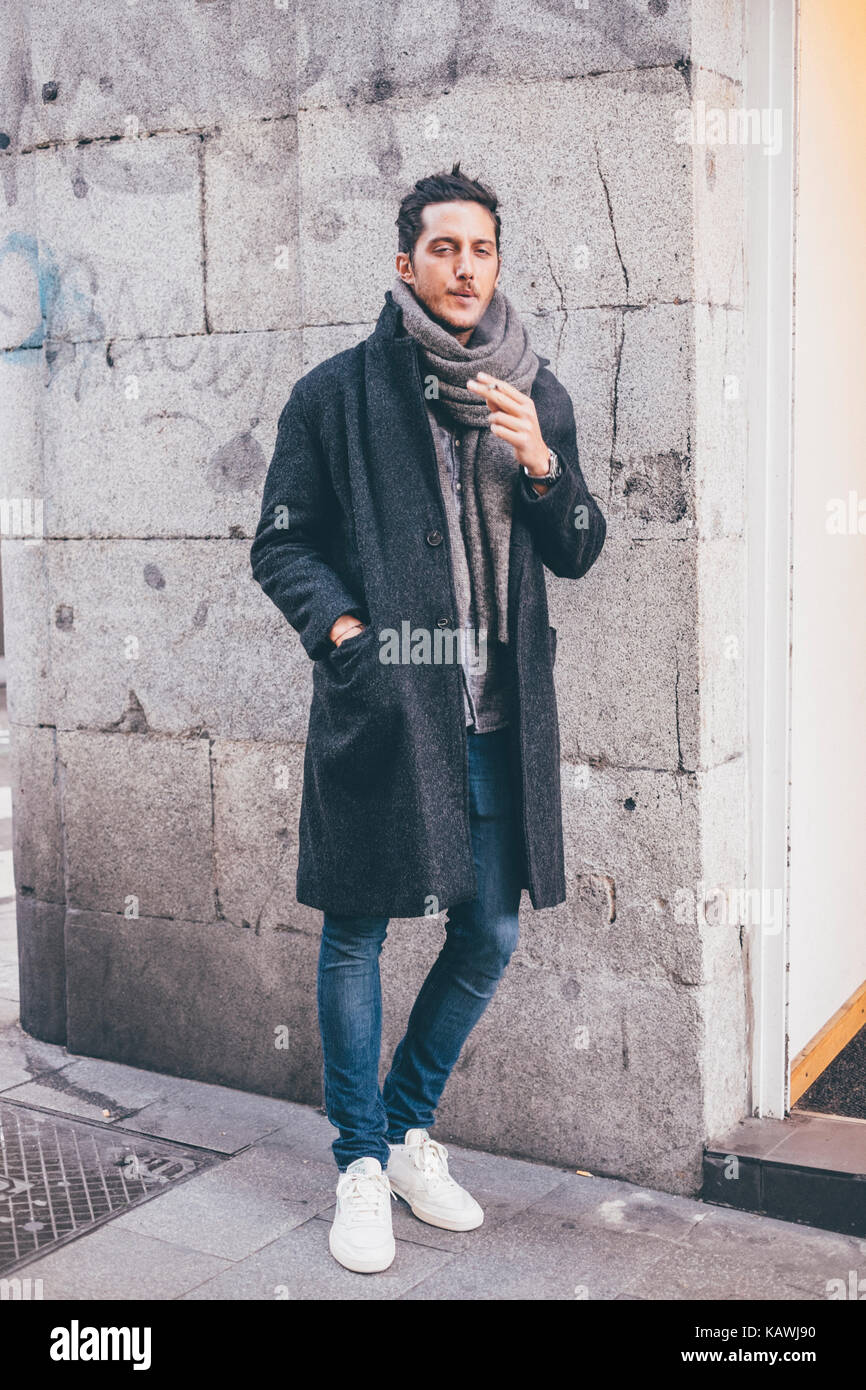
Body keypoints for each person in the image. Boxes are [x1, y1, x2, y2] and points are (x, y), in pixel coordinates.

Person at [250, 162, 606, 1273]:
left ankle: (405, 1130)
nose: (463, 267)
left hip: (498, 715)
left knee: (490, 930)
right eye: (442, 248)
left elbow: (580, 546)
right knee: (356, 924)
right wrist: (346, 637)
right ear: (404, 263)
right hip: (386, 706)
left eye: (481, 250)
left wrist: (543, 468)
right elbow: (281, 543)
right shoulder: (336, 395)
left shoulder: (533, 391)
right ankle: (358, 1160)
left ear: (497, 264)